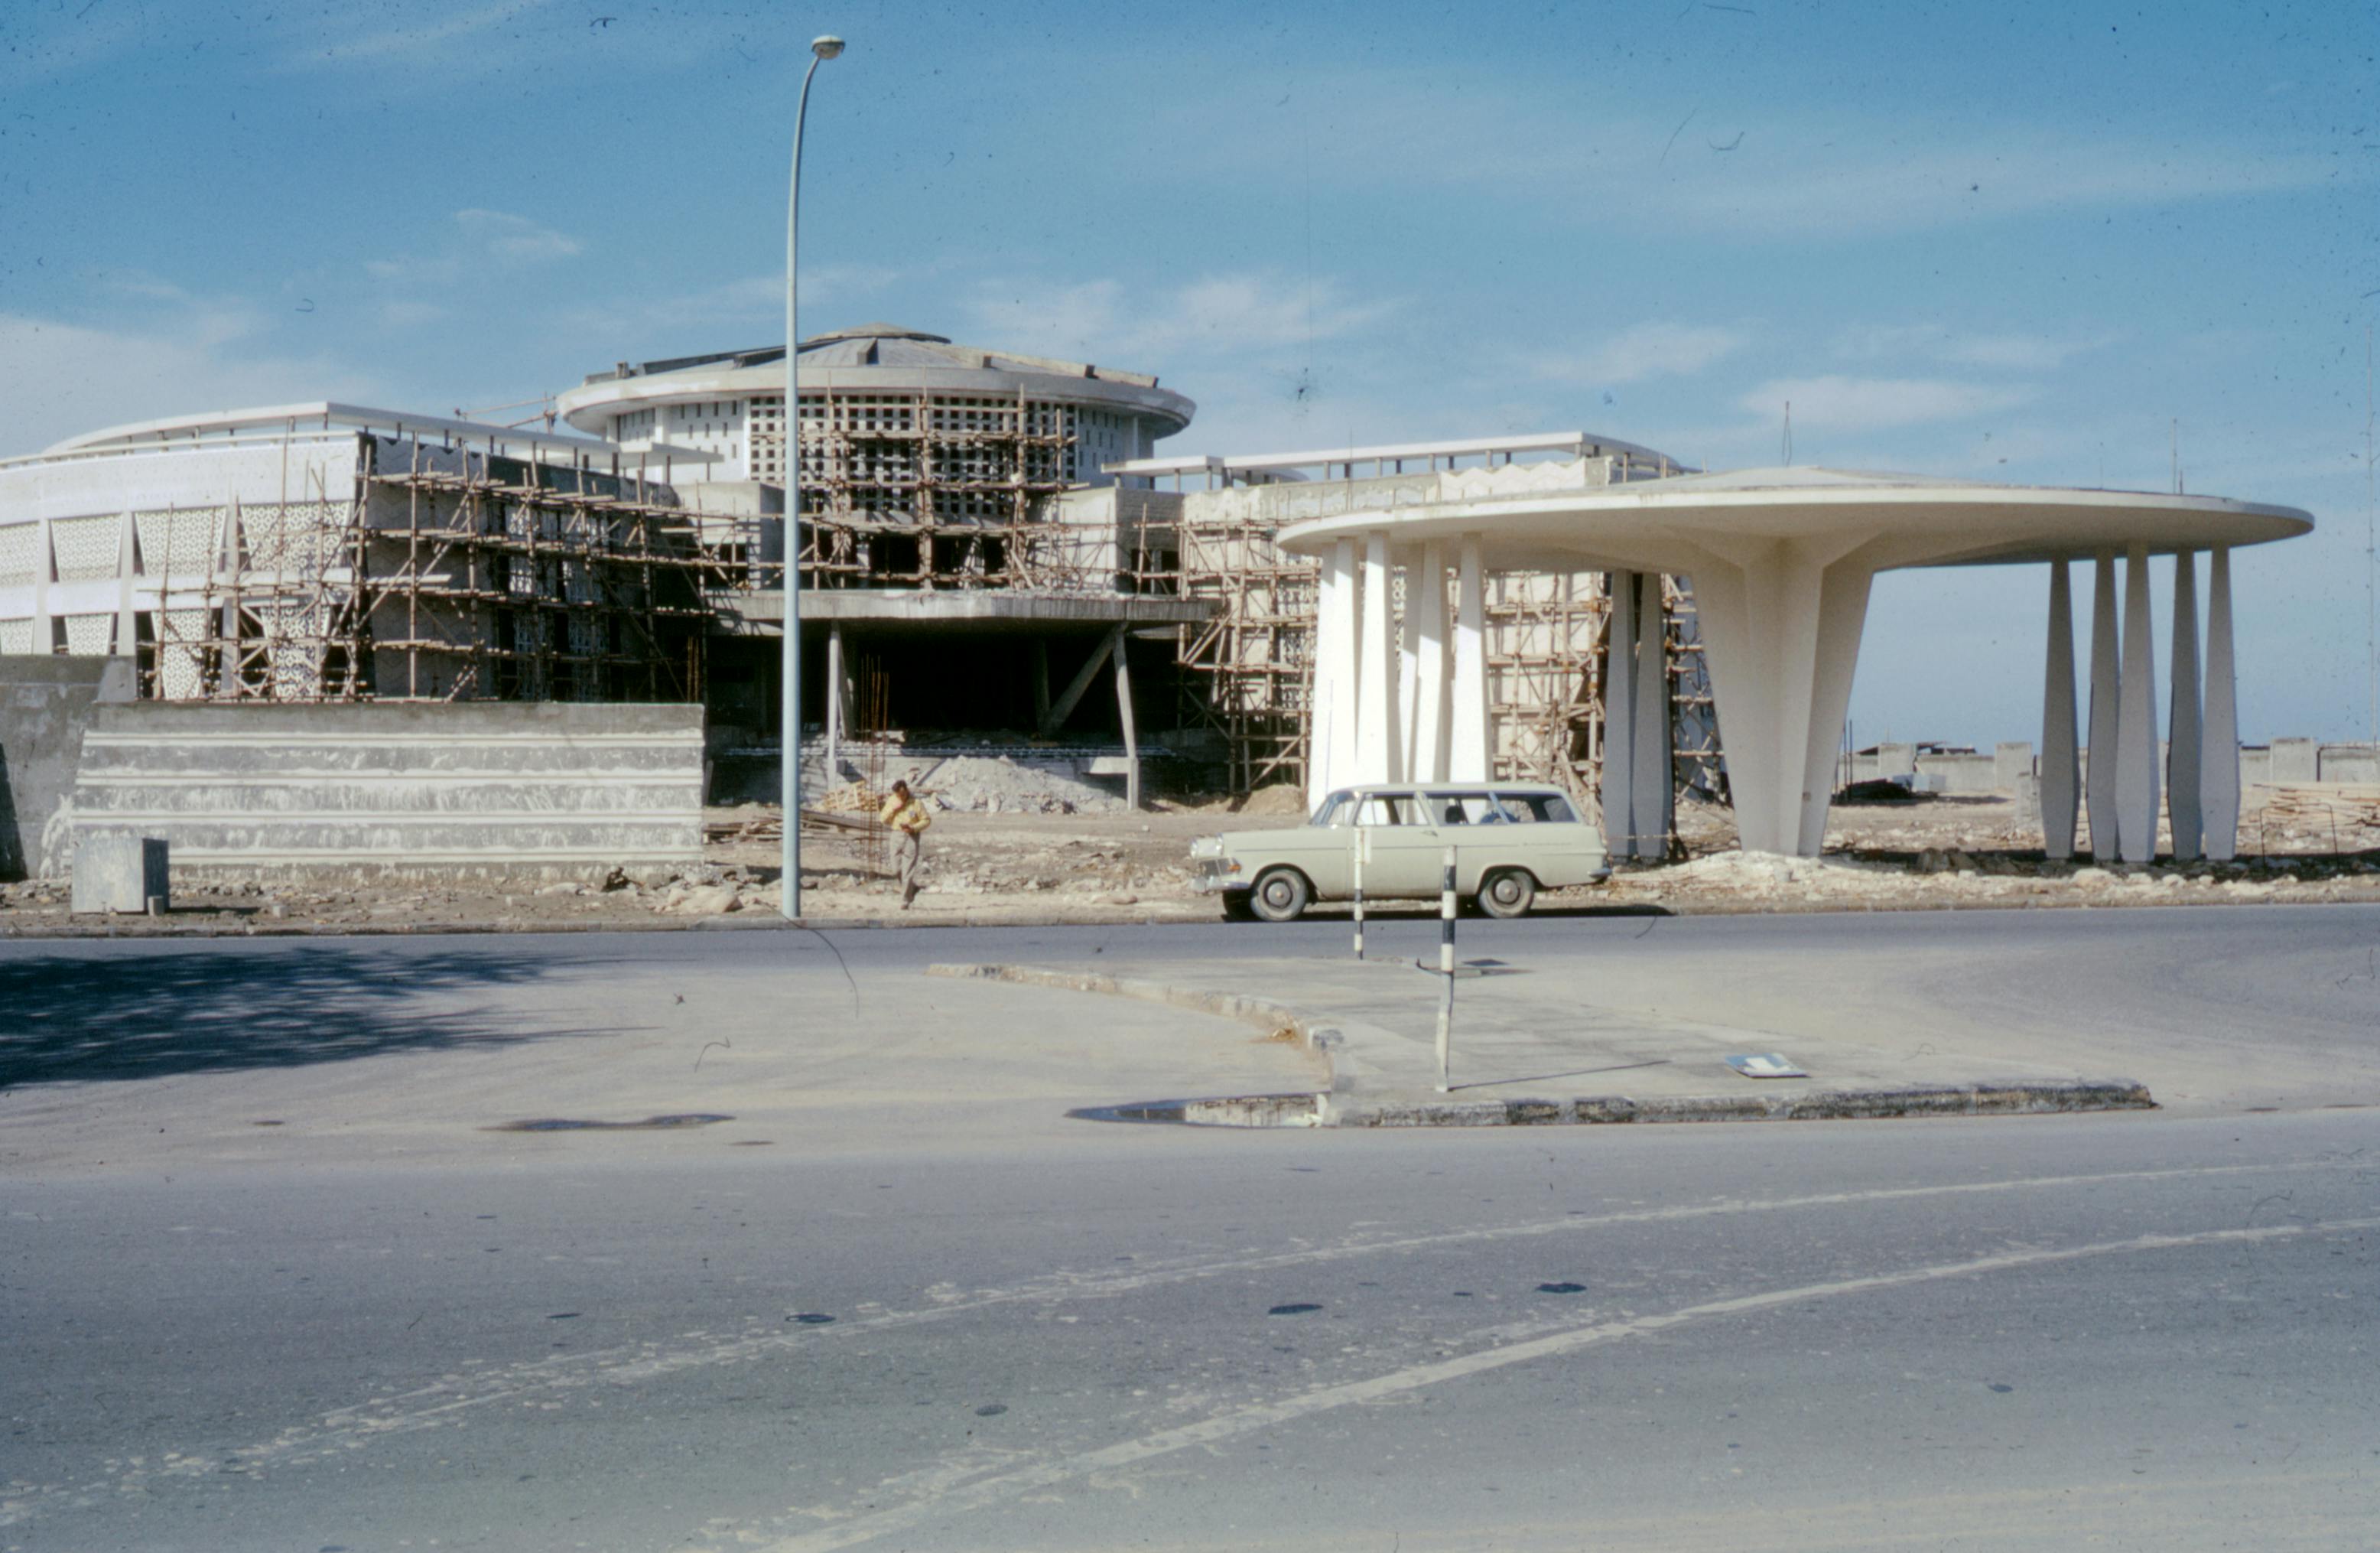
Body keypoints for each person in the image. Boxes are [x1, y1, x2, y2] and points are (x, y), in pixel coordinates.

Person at [879, 778, 932, 907]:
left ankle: (905, 900)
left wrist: (913, 827)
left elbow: (926, 820)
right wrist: (893, 809)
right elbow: (882, 819)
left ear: (907, 790)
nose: (901, 797)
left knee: (908, 870)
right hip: (896, 835)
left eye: (903, 794)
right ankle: (912, 888)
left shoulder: (916, 803)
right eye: (898, 795)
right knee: (895, 869)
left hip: (911, 836)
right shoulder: (892, 800)